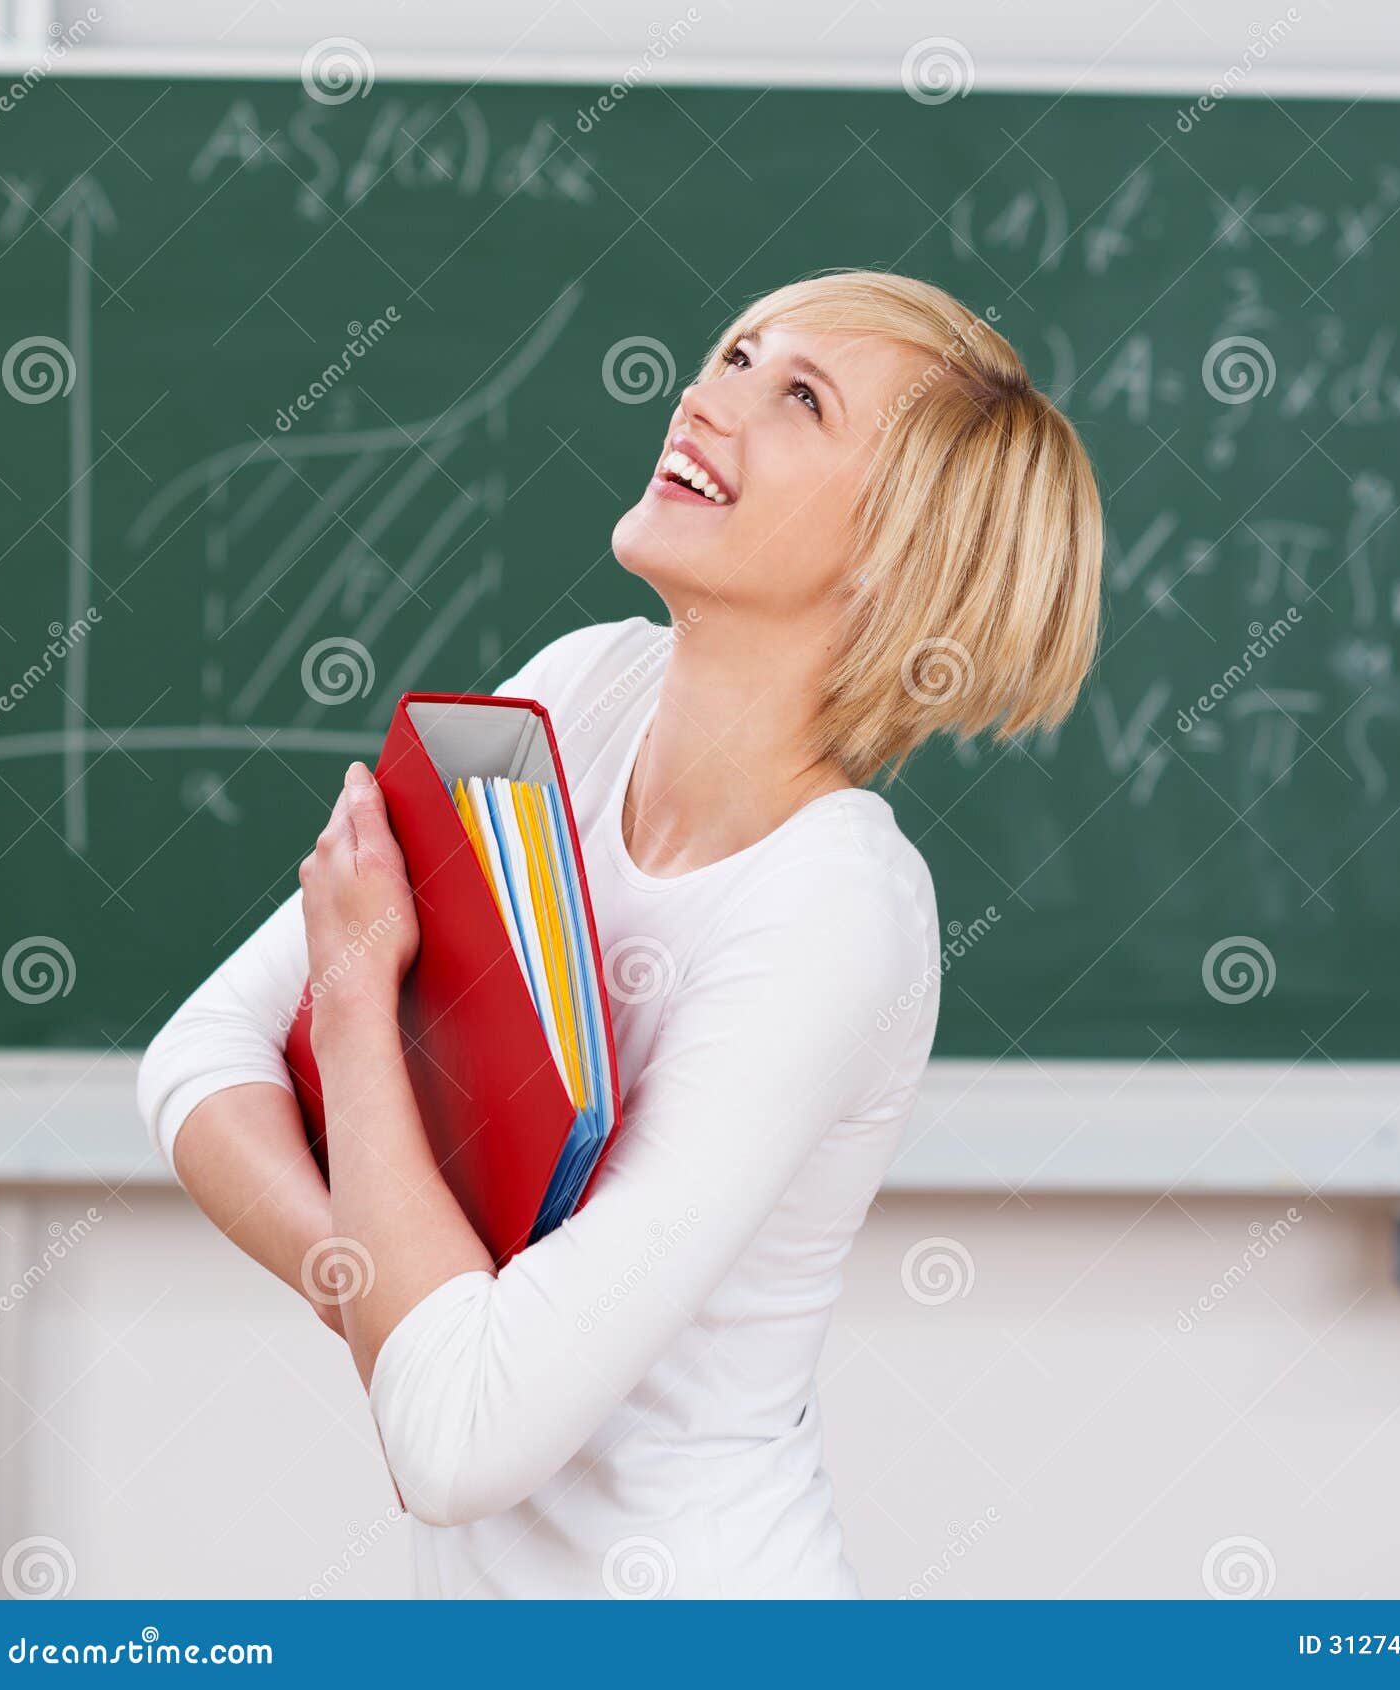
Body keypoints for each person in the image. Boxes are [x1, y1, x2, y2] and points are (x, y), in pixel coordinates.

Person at [137, 269, 1104, 1598]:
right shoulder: (583, 689)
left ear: (897, 556)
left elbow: (458, 1442)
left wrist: (359, 993)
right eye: (737, 353)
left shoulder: (835, 912)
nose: (708, 398)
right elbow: (196, 1057)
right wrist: (372, 1283)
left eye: (799, 398)